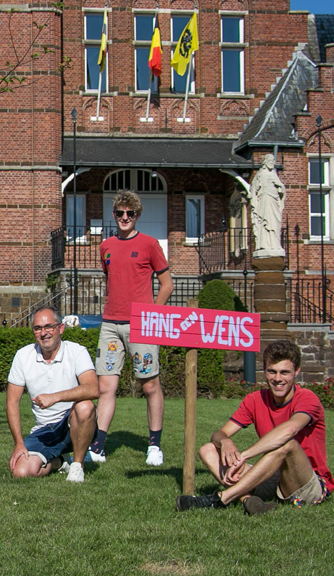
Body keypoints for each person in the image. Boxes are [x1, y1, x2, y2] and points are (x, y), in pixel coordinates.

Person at [178, 340, 331, 514]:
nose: (278, 379)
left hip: (307, 484)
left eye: (285, 372)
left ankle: (221, 498)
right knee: (208, 449)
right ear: (264, 371)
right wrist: (225, 441)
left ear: (296, 371)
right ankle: (249, 500)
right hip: (274, 477)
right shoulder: (255, 399)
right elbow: (219, 434)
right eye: (272, 372)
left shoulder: (307, 399)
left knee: (286, 443)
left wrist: (245, 455)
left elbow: (290, 430)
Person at [90, 190, 173, 466]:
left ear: (138, 215)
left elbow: (167, 284)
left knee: (150, 385)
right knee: (105, 387)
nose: (125, 218)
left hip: (141, 326)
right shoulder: (106, 246)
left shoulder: (150, 244)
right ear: (114, 215)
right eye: (120, 213)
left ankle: (154, 446)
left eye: (130, 213)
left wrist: (151, 315)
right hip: (110, 324)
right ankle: (98, 446)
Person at [6, 307, 99, 483]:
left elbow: (93, 389)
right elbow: (12, 402)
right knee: (21, 471)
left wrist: (55, 397)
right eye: (38, 328)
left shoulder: (77, 351)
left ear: (61, 328)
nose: (44, 333)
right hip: (44, 430)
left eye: (49, 327)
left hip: (73, 424)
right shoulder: (23, 356)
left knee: (85, 405)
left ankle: (78, 466)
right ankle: (61, 462)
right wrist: (18, 443)